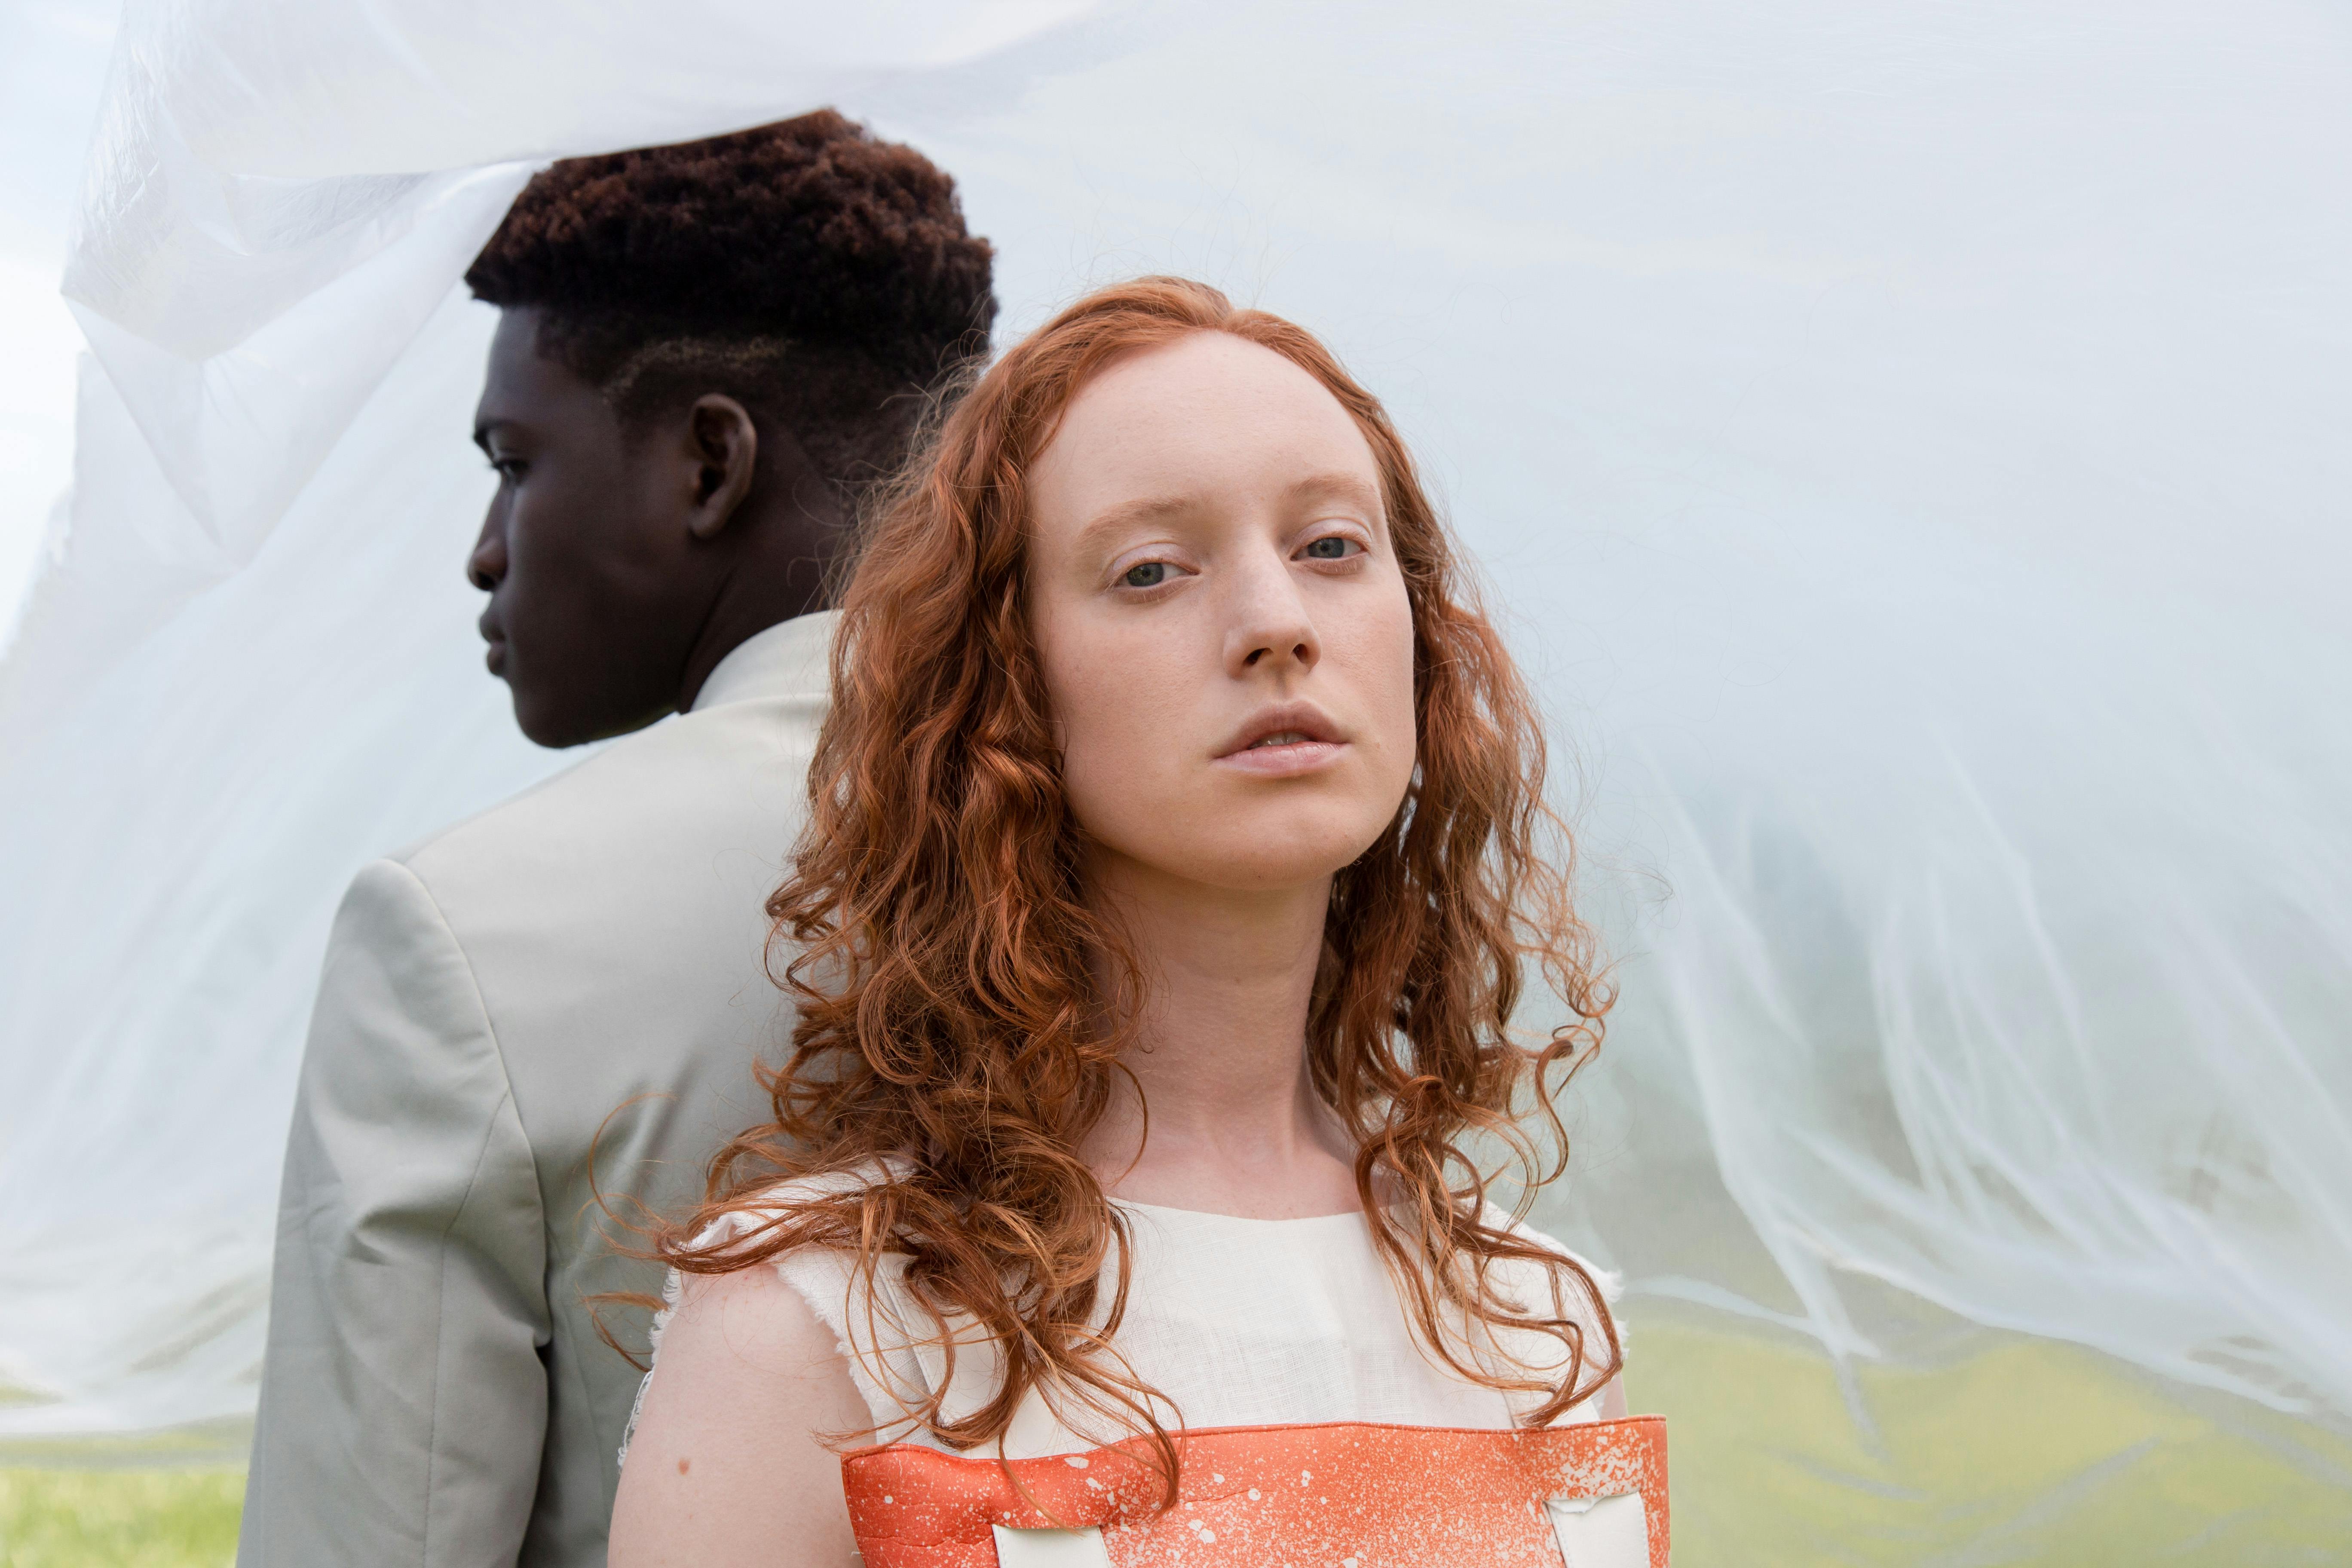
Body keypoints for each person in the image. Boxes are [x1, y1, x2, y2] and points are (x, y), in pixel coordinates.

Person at [607, 278, 1663, 1568]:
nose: (1277, 624)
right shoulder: (823, 1326)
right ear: (1006, 687)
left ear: (1424, 644)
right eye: (1151, 570)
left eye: (1331, 546)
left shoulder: (1535, 1327)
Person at [237, 112, 995, 1568]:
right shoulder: (1176, 850)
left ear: (710, 463)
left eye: (514, 461)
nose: (487, 546)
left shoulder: (462, 935)